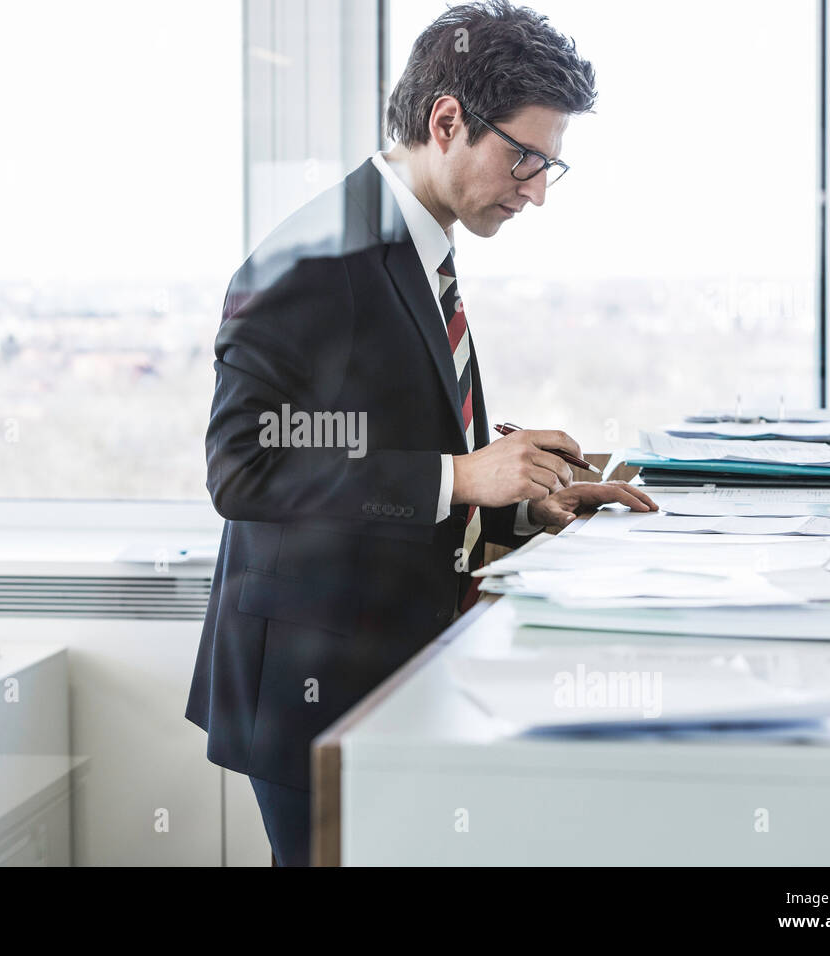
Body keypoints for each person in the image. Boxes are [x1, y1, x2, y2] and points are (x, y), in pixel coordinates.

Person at [185, 0, 656, 866]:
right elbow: (242, 470)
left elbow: (396, 447)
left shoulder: (419, 247)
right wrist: (464, 478)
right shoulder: (313, 260)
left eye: (552, 166)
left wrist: (523, 501)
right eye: (526, 157)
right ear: (447, 121)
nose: (538, 192)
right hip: (309, 689)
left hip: (396, 669)